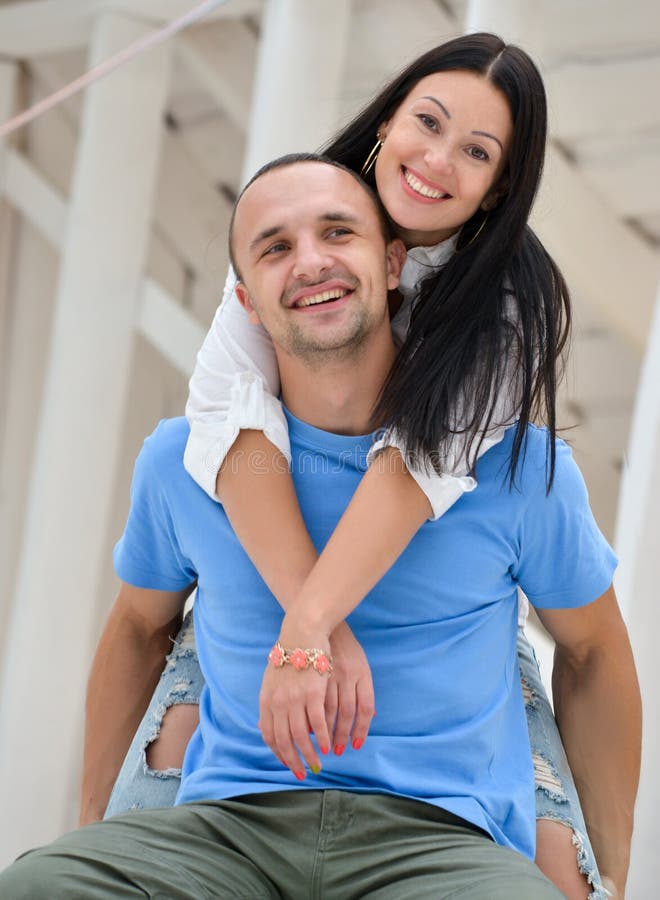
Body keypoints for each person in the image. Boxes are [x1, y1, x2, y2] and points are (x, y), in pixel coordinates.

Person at [1, 155, 637, 899]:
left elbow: (595, 651)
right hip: (227, 831)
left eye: (338, 232)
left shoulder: (516, 469)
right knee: (41, 885)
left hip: (438, 843)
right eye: (275, 248)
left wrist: (616, 870)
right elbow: (138, 627)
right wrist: (94, 820)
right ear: (245, 300)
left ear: (394, 262)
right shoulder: (183, 462)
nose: (310, 262)